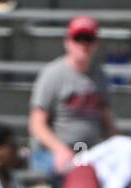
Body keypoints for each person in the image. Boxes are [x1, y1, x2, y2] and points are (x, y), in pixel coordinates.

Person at [29, 16, 115, 176]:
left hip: (89, 152)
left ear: (96, 43)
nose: (84, 44)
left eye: (88, 39)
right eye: (79, 38)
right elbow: (37, 125)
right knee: (67, 170)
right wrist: (60, 150)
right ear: (68, 42)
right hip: (53, 151)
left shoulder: (100, 76)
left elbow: (108, 123)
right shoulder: (52, 74)